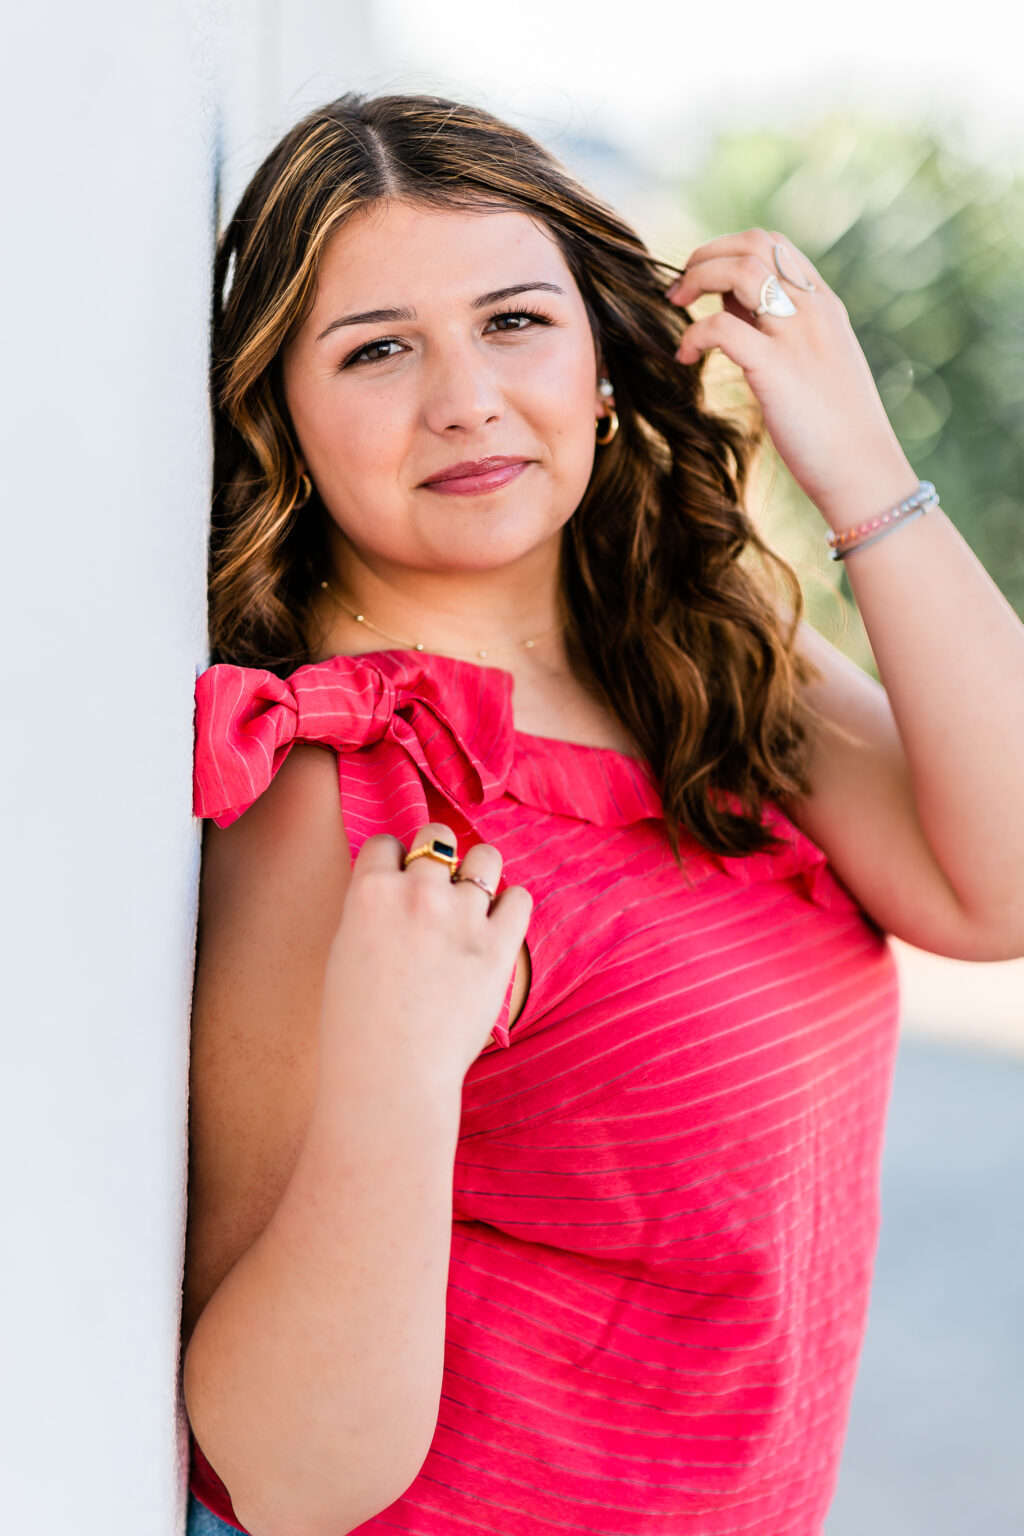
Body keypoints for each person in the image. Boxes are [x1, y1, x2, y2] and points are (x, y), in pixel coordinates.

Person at [182, 92, 1024, 1536]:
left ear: (602, 361)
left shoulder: (690, 650)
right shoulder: (340, 792)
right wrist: (396, 1081)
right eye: (378, 350)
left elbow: (994, 888)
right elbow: (283, 1478)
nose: (466, 399)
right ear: (280, 414)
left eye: (515, 322)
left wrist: (862, 469)